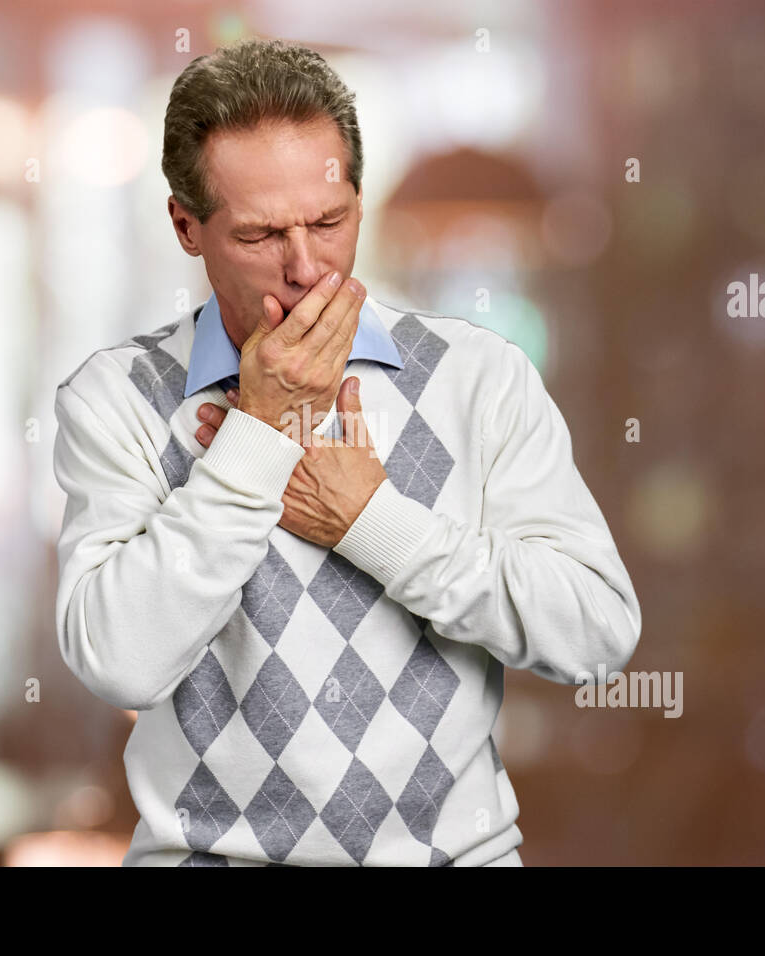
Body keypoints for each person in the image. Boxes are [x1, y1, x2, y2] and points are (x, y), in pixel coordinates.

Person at [52, 37, 641, 866]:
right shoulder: (115, 400)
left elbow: (597, 631)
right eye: (259, 235)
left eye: (328, 222)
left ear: (359, 202)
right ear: (187, 226)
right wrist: (255, 436)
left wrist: (372, 520)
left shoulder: (479, 378)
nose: (304, 267)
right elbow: (119, 662)